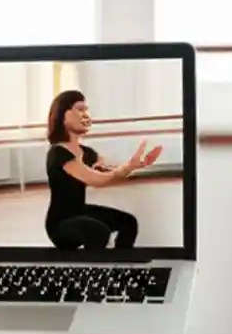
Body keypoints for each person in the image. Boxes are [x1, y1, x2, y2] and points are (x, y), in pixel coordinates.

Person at [43, 89, 161, 250]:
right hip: (60, 224)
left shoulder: (88, 153)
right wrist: (127, 167)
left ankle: (121, 265)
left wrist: (136, 164)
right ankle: (91, 270)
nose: (86, 114)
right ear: (63, 114)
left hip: (80, 212)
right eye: (80, 109)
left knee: (128, 222)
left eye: (86, 110)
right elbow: (96, 180)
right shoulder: (58, 153)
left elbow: (106, 171)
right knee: (98, 232)